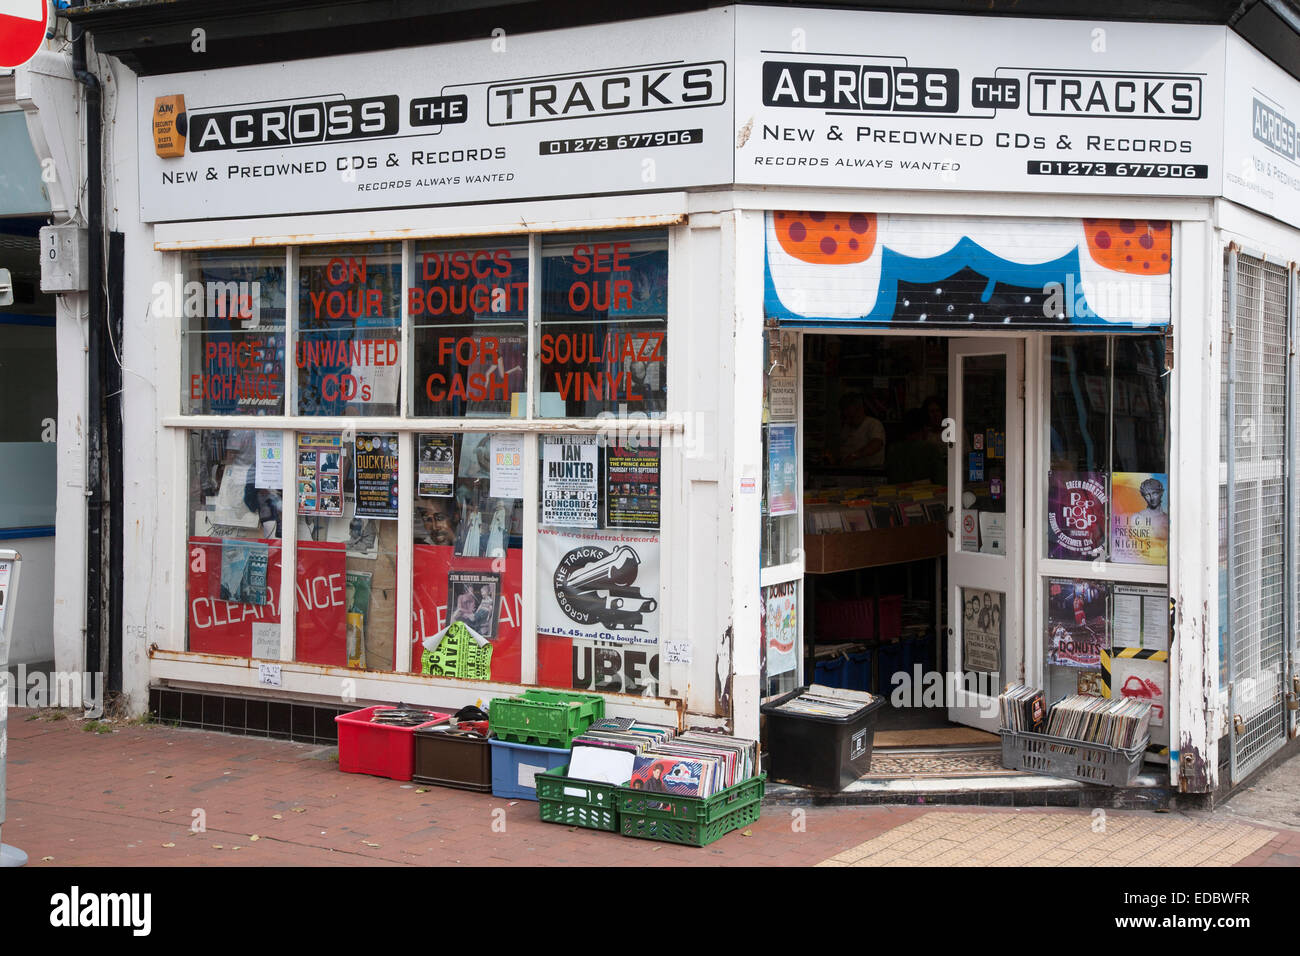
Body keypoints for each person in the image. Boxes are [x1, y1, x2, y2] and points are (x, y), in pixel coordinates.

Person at [886, 408, 946, 485]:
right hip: (926, 493)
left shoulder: (893, 449)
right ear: (924, 428)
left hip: (897, 493)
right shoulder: (930, 448)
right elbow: (942, 479)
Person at [834, 392, 885, 468]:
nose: (845, 412)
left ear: (858, 408)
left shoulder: (873, 424)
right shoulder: (846, 427)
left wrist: (854, 456)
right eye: (843, 409)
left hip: (867, 472)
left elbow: (876, 444)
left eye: (847, 408)